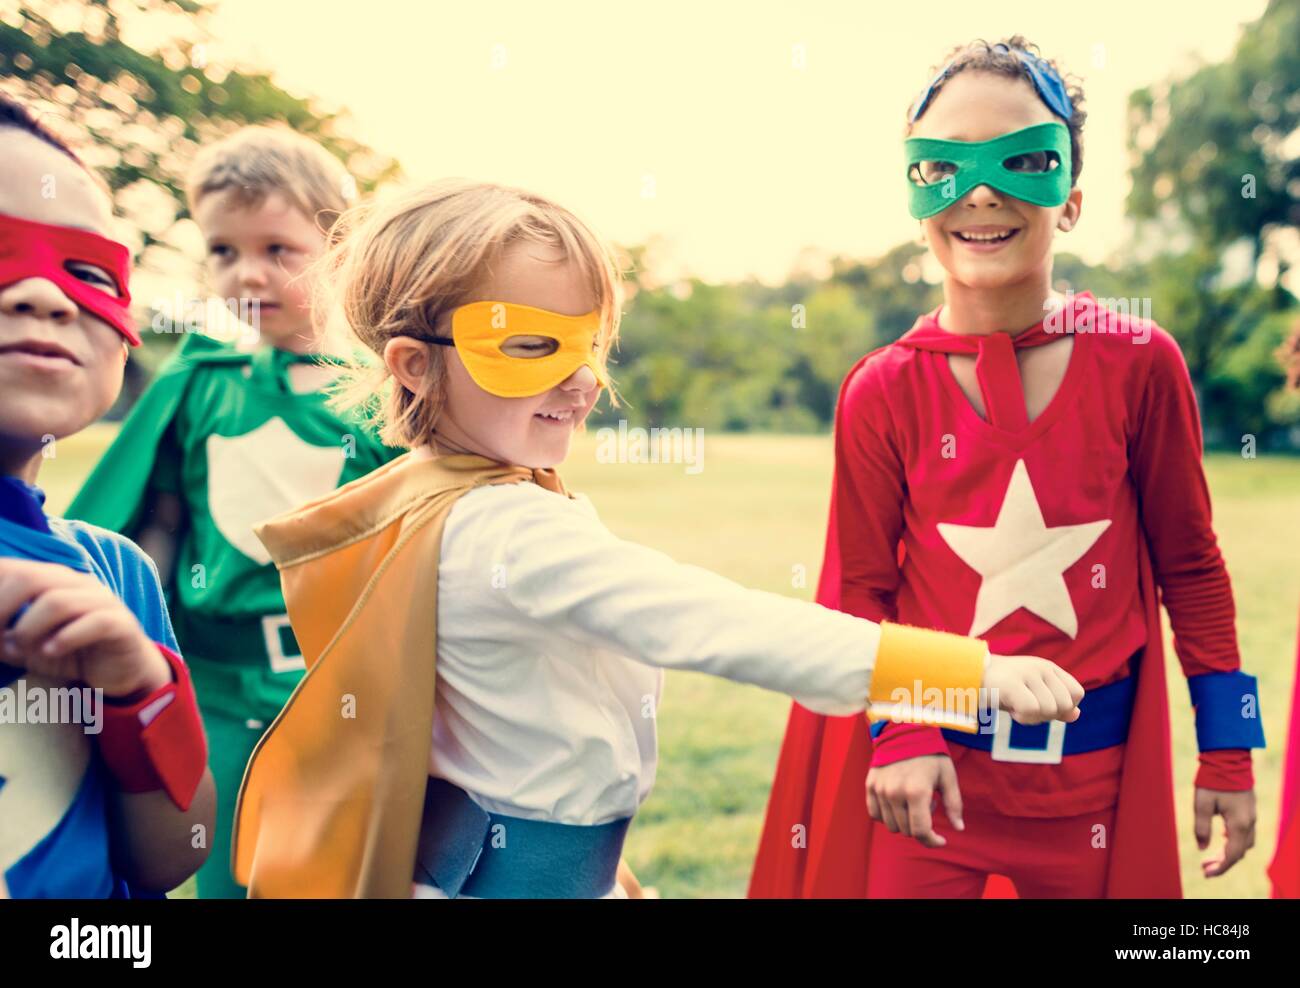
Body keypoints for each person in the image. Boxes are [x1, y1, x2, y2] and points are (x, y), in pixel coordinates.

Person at [233, 178, 1084, 898]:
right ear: (414, 365)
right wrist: (964, 675)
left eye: (590, 342)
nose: (580, 379)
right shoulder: (503, 527)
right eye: (529, 346)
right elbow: (722, 624)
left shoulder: (448, 496)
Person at [750, 37, 1264, 899]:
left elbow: (1193, 565)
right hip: (930, 790)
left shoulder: (1142, 363)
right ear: (916, 195)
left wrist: (1229, 747)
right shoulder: (882, 389)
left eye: (1023, 159)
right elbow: (861, 590)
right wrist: (906, 735)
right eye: (945, 166)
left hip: (1091, 794)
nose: (983, 191)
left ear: (1070, 197)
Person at [65, 125, 401, 898]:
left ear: (338, 248)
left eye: (279, 249)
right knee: (223, 870)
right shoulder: (200, 382)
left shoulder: (388, 395)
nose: (248, 273)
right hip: (212, 682)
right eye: (223, 251)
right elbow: (157, 525)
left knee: (344, 874)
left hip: (340, 685)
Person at [0, 95, 214, 898]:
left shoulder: (115, 573)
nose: (47, 298)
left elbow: (174, 855)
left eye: (86, 273)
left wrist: (138, 692)